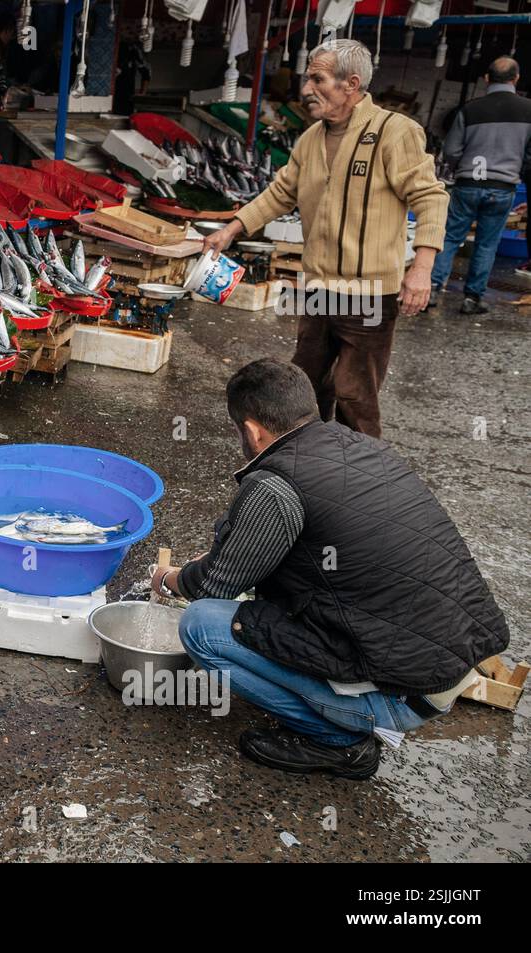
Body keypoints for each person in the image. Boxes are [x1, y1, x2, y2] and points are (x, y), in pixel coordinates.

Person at [151, 358, 509, 780]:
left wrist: (171, 579)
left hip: (402, 694)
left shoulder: (275, 484)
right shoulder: (362, 447)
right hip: (446, 666)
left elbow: (215, 587)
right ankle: (345, 708)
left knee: (201, 625)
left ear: (251, 430)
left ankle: (336, 741)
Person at [203, 39, 449, 440]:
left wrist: (421, 269)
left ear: (351, 84)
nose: (306, 90)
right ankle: (311, 462)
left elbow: (430, 197)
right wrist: (231, 229)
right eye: (308, 79)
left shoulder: (394, 131)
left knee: (356, 395)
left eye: (317, 79)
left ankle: (361, 473)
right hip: (318, 289)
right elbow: (280, 193)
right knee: (307, 387)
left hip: (369, 291)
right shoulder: (311, 138)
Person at [430, 57, 531, 314]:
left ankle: (431, 289)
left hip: (467, 184)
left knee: (451, 237)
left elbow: (451, 150)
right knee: (487, 243)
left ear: (486, 78)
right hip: (503, 187)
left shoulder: (470, 109)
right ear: (516, 78)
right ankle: (472, 298)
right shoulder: (528, 110)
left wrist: (460, 164)